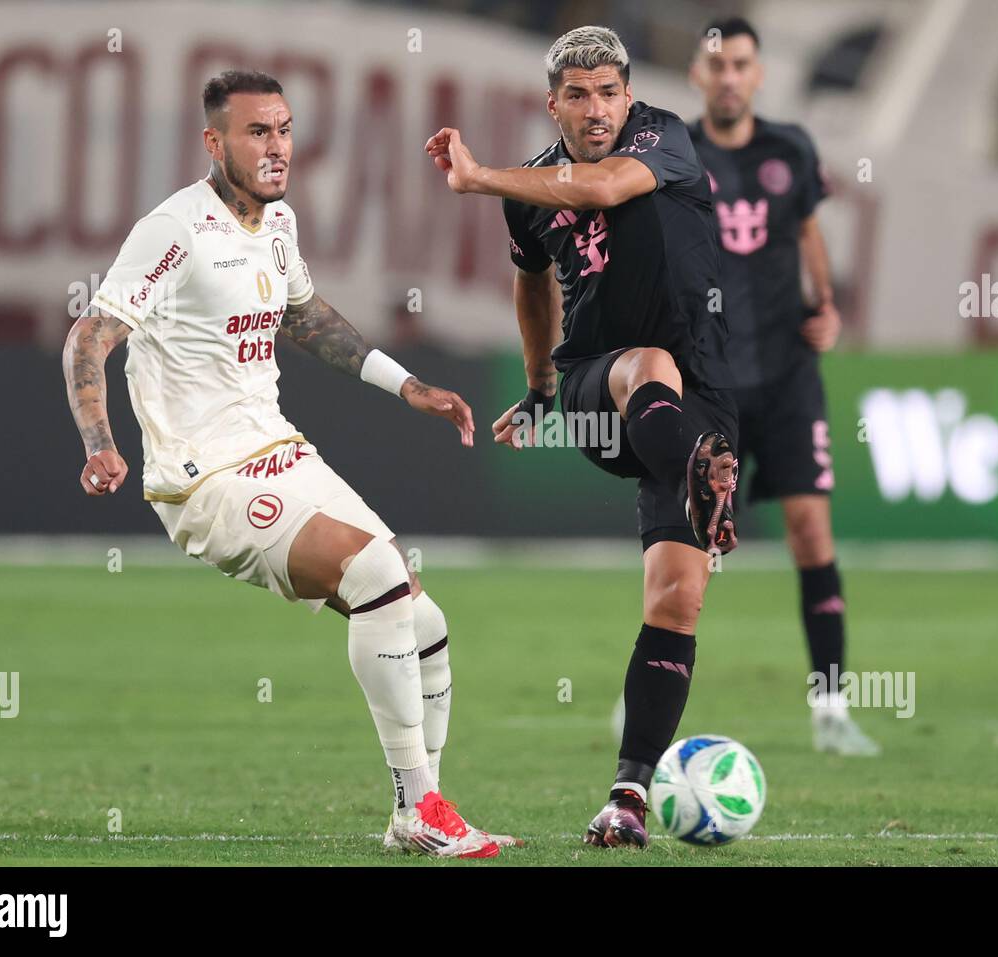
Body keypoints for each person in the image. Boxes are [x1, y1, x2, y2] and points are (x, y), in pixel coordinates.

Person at [62, 69, 518, 857]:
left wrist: (406, 384)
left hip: (278, 448)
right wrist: (101, 444)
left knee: (424, 620)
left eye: (284, 129)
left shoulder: (277, 223)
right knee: (375, 574)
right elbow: (91, 336)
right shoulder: (175, 229)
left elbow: (305, 315)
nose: (276, 148)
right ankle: (419, 808)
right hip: (203, 476)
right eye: (256, 132)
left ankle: (421, 810)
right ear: (215, 142)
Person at [426, 25, 740, 847]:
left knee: (678, 597)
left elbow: (603, 190)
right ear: (552, 102)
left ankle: (626, 797)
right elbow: (532, 284)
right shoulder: (527, 187)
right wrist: (535, 386)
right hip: (601, 388)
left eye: (609, 91)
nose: (596, 107)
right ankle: (701, 480)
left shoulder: (662, 137)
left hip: (699, 398)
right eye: (579, 94)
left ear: (628, 95)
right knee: (646, 363)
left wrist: (478, 175)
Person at [689, 17, 879, 755]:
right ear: (700, 75)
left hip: (787, 371)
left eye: (741, 63)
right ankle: (650, 694)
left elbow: (805, 230)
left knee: (810, 530)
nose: (729, 76)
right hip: (712, 379)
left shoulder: (790, 147)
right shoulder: (677, 154)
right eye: (716, 65)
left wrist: (826, 305)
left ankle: (831, 710)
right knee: (693, 547)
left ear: (758, 72)